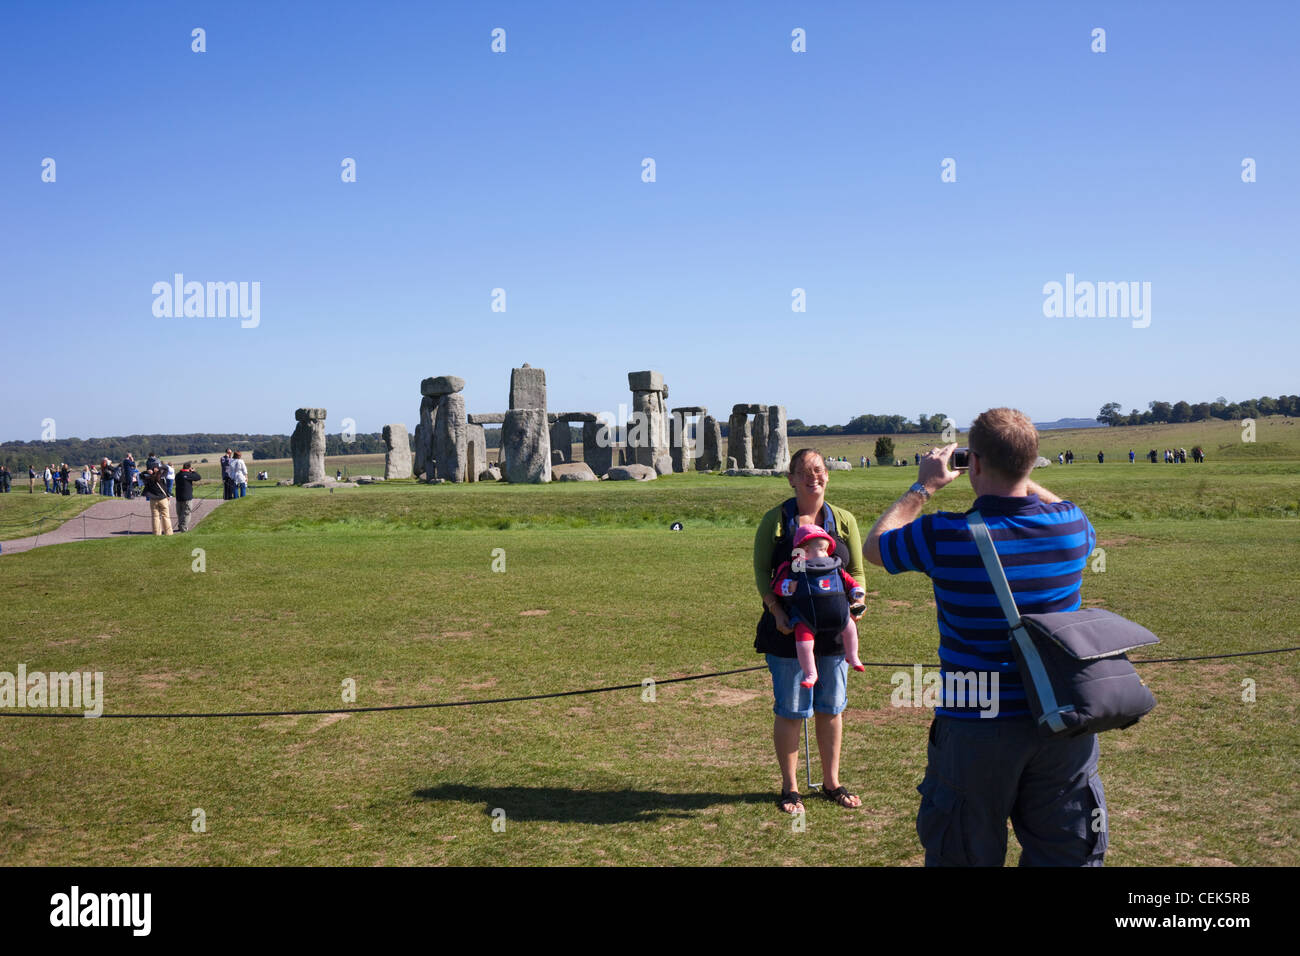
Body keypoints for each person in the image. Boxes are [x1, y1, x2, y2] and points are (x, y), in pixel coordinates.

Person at [864, 408, 1104, 866]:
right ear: (1031, 463)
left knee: (963, 853)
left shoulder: (945, 535)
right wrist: (1022, 474)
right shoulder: (1072, 527)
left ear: (971, 463)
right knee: (1064, 856)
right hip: (1061, 717)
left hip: (976, 721)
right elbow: (1060, 509)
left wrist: (924, 486)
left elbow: (877, 545)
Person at [753, 448, 867, 814]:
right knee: (790, 709)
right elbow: (762, 576)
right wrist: (776, 611)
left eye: (818, 470)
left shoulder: (845, 520)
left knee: (831, 708)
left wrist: (856, 606)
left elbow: (858, 573)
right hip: (789, 631)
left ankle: (832, 782)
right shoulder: (775, 520)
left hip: (834, 631)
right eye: (804, 471)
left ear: (828, 476)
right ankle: (790, 788)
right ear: (791, 478)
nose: (812, 476)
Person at [771, 525, 866, 686]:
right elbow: (776, 585)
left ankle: (853, 655)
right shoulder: (793, 569)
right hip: (806, 617)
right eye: (821, 550)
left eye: (826, 550)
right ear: (805, 551)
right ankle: (810, 673)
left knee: (850, 628)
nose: (826, 554)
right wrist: (788, 586)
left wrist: (856, 591)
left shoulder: (834, 566)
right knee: (803, 642)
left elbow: (849, 580)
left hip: (838, 615)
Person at [140, 466, 173, 535]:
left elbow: (140, 475)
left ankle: (156, 533)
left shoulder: (148, 478)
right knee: (166, 516)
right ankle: (168, 532)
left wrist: (147, 471)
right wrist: (159, 468)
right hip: (163, 498)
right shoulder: (161, 476)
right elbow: (166, 468)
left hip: (153, 499)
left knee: (155, 517)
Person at [174, 462, 202, 532]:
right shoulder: (188, 475)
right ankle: (184, 528)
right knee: (186, 513)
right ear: (189, 468)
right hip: (187, 497)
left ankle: (180, 526)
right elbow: (198, 477)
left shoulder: (178, 475)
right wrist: (193, 472)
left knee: (180, 513)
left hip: (178, 496)